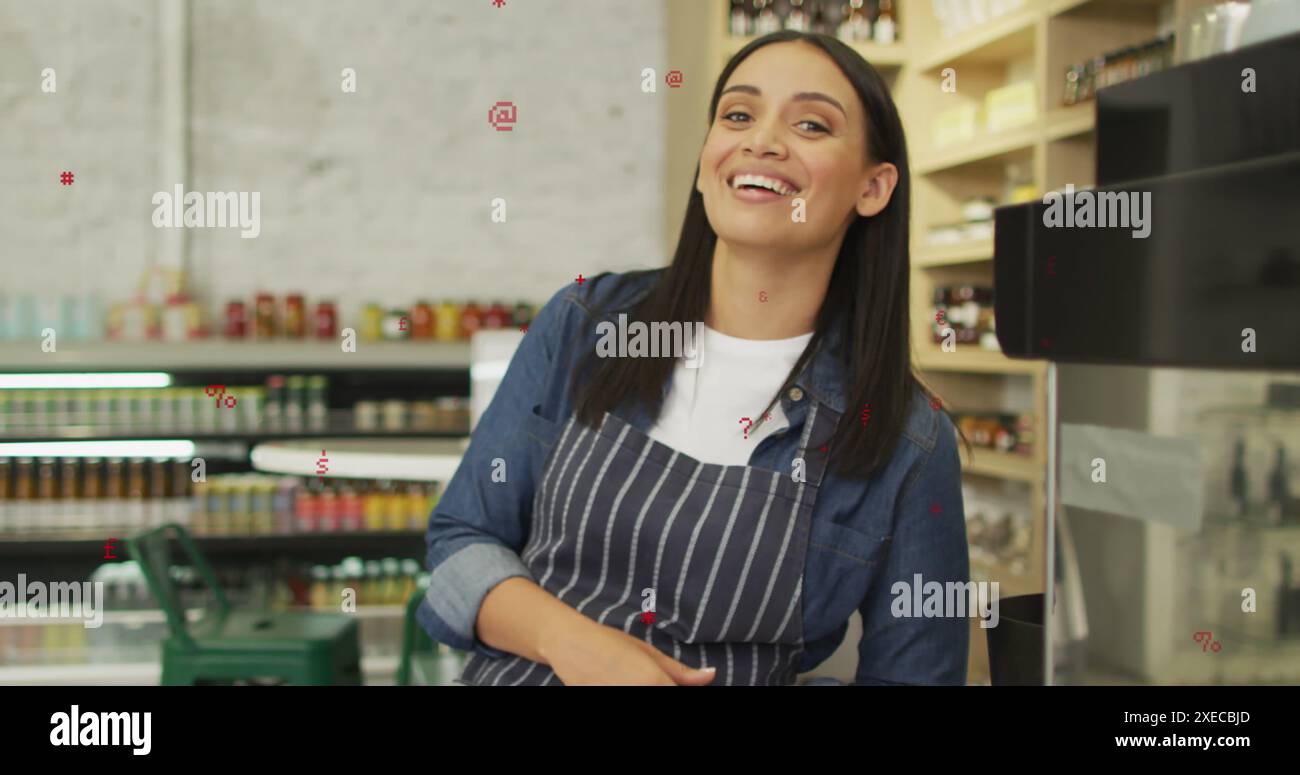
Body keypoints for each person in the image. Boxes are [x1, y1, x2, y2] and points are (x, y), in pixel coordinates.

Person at [418, 30, 971, 686]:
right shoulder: (585, 324)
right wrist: (575, 644)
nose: (762, 141)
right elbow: (460, 542)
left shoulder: (908, 440)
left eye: (811, 124)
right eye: (738, 114)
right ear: (708, 160)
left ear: (874, 187)